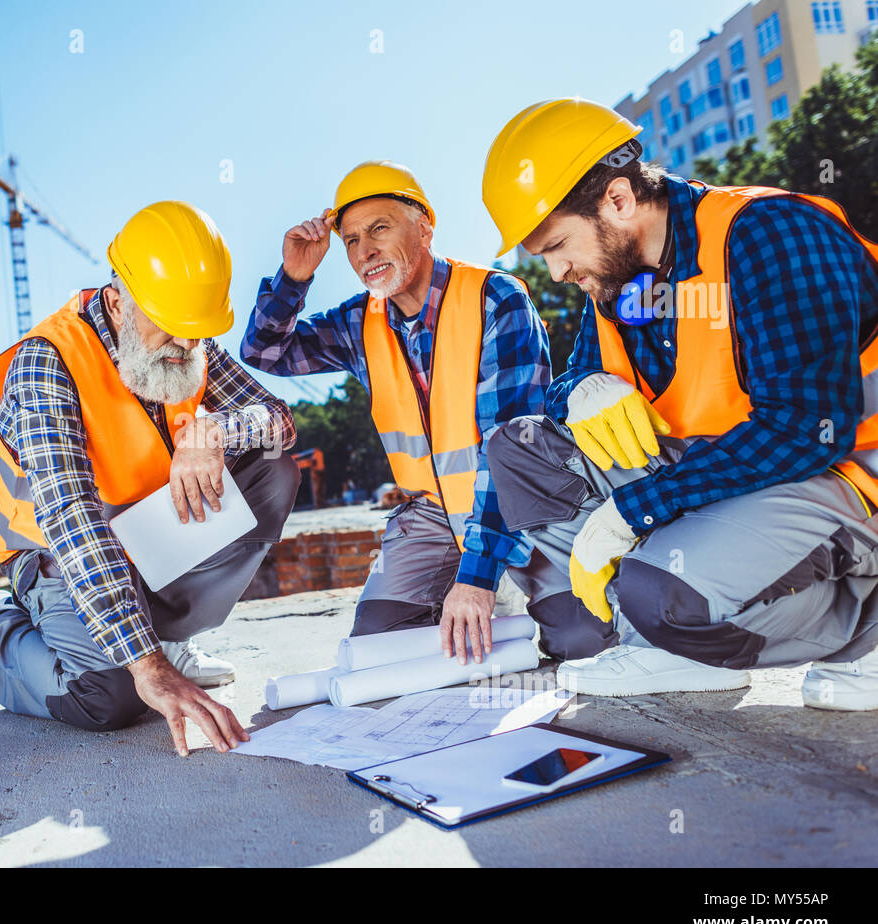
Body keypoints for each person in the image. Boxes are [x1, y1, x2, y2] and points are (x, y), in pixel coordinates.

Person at [481, 97, 878, 709]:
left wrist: (632, 511)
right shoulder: (619, 279)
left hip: (846, 472)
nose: (556, 271)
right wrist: (585, 389)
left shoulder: (771, 234)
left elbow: (806, 428)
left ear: (618, 200)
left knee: (664, 590)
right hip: (749, 472)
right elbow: (573, 380)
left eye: (558, 244)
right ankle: (653, 639)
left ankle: (863, 627)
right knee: (521, 448)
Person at [0, 201, 301, 754]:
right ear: (119, 298)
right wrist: (145, 667)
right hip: (56, 555)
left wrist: (216, 431)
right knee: (109, 699)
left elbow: (279, 423)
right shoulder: (46, 364)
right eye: (172, 329)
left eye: (197, 334)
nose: (186, 347)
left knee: (271, 471)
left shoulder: (187, 338)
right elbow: (74, 522)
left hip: (142, 540)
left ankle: (167, 638)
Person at [241, 161, 559, 665]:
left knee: (576, 643)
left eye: (379, 229)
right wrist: (293, 277)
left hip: (518, 507)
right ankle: (460, 609)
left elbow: (511, 454)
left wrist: (477, 580)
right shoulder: (357, 323)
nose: (364, 251)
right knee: (378, 650)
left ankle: (499, 600)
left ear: (425, 227)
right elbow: (263, 352)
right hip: (430, 515)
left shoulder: (497, 300)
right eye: (349, 241)